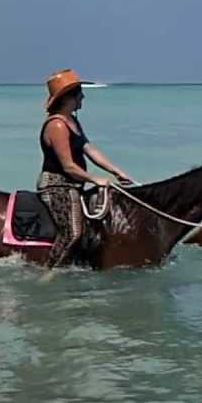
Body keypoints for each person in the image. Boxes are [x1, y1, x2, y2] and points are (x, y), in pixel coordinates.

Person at [37, 68, 134, 268]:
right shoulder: (57, 126)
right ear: (68, 98)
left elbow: (89, 149)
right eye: (79, 92)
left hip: (74, 184)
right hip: (58, 186)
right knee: (73, 233)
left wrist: (116, 171)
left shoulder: (73, 122)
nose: (83, 96)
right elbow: (69, 166)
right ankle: (48, 274)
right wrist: (94, 179)